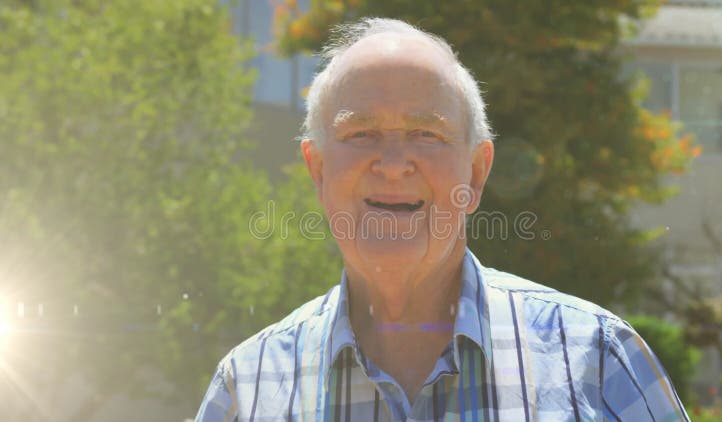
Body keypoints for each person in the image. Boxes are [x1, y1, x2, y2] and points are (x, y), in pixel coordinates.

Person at [196, 18, 688, 421]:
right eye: (361, 133)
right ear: (319, 170)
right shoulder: (248, 388)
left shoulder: (597, 363)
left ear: (476, 173)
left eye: (426, 134)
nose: (392, 163)